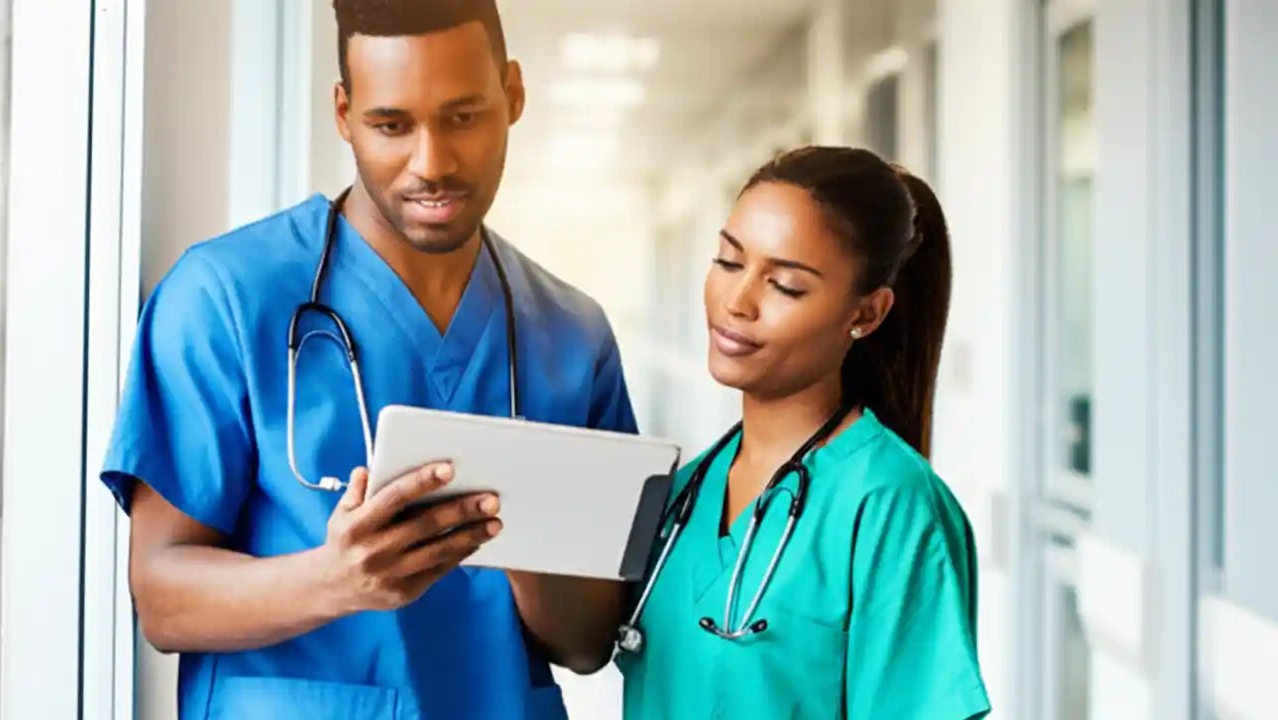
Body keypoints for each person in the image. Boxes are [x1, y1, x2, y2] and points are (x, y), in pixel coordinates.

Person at [100, 1, 634, 717]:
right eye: (391, 125)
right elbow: (161, 600)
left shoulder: (571, 336)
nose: (432, 162)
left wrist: (526, 542)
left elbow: (588, 642)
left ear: (513, 94)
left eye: (463, 116)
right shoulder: (225, 295)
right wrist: (336, 579)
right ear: (344, 112)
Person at [614, 146, 991, 719]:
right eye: (728, 261)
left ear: (866, 314)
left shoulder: (890, 504)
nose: (737, 302)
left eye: (785, 285)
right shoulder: (684, 496)